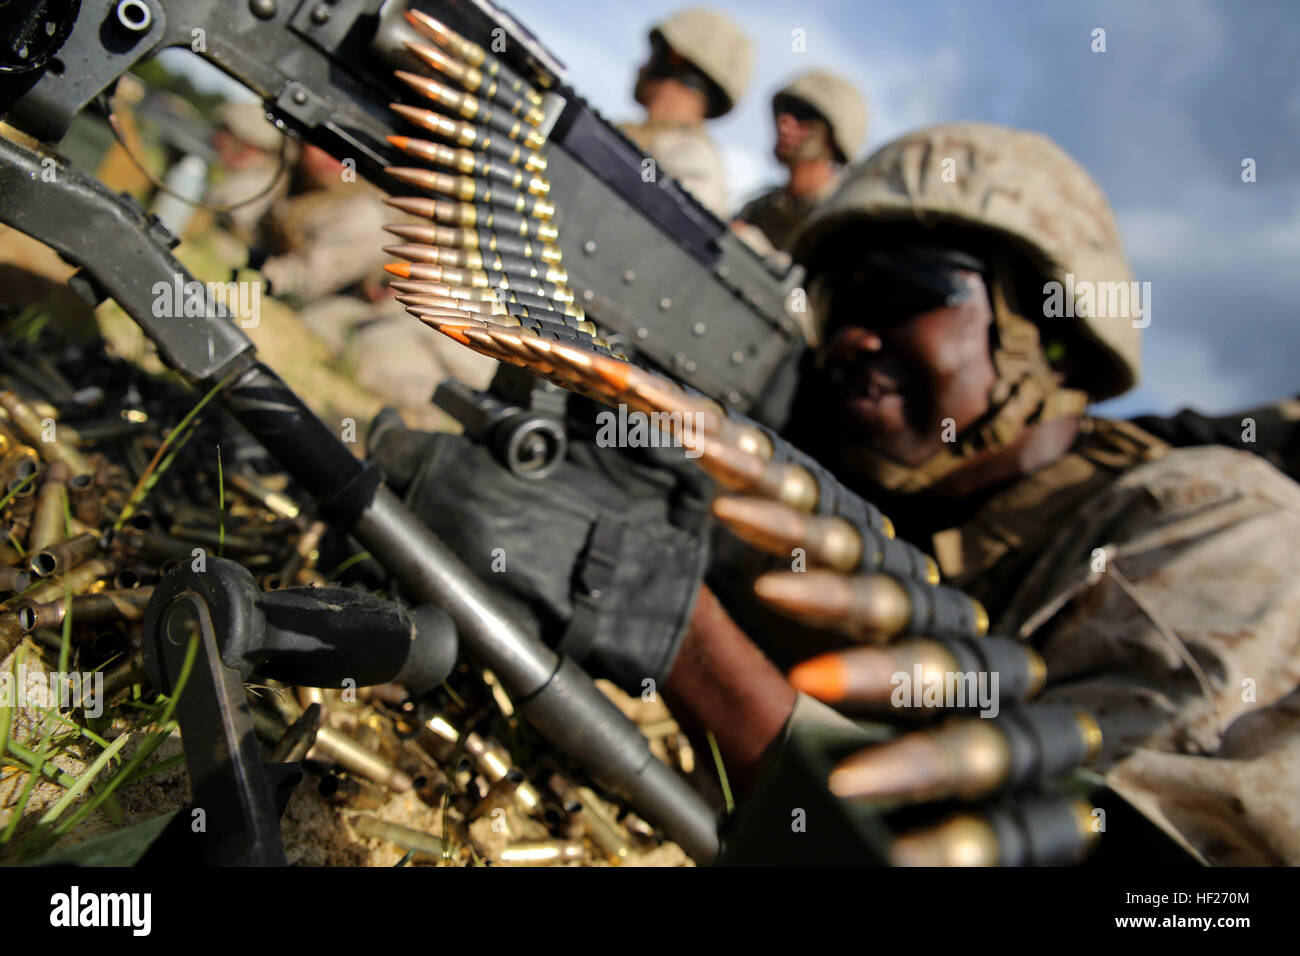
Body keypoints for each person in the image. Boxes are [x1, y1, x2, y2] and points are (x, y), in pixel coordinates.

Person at [674, 122, 1300, 865]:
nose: (849, 339)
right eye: (835, 300)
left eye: (902, 291)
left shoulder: (1210, 525)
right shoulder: (858, 507)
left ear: (1047, 337)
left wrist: (690, 647)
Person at [618, 7, 752, 218]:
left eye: (654, 54)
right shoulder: (656, 140)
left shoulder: (693, 156)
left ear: (674, 58)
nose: (641, 68)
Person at [733, 71, 868, 256]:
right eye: (785, 110)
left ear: (833, 140)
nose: (785, 122)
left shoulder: (837, 221)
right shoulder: (762, 208)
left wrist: (750, 244)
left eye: (803, 115)